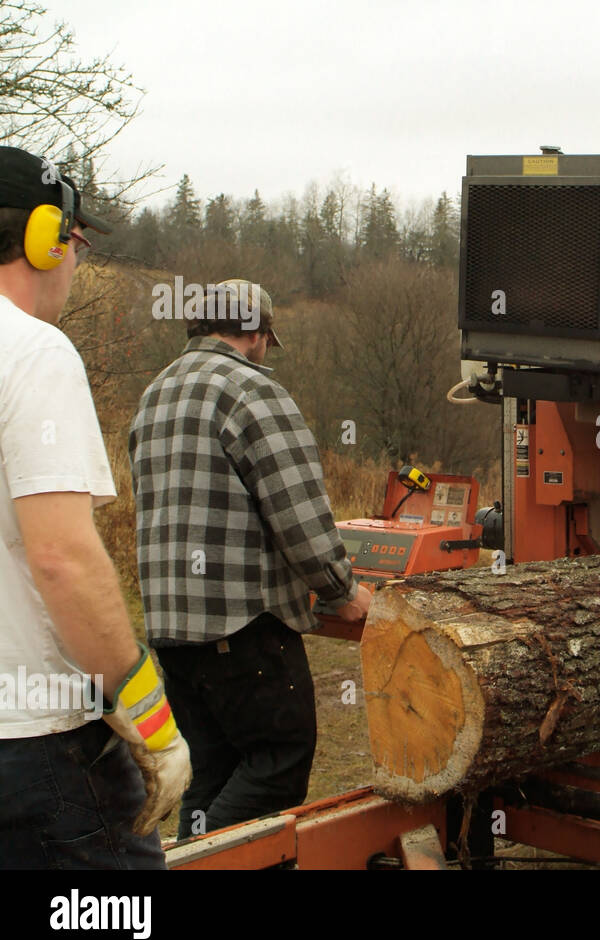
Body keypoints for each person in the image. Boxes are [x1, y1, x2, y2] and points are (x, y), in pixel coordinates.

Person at [0, 146, 190, 869]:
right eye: (75, 243)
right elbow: (62, 558)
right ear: (45, 239)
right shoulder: (33, 352)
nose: (76, 263)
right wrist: (154, 720)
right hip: (38, 755)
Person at [130, 278, 371, 839]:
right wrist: (343, 590)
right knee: (278, 763)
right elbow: (298, 510)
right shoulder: (250, 390)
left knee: (213, 772)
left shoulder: (155, 394)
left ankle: (193, 850)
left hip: (173, 631)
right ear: (257, 333)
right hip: (242, 625)